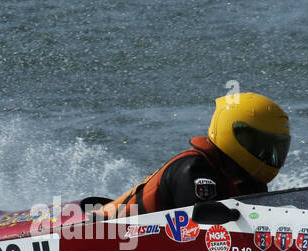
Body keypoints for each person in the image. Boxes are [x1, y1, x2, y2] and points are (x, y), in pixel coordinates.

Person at [100, 92, 290, 216]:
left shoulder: (247, 180)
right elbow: (201, 232)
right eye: (263, 147)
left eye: (275, 149)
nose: (269, 156)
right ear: (234, 134)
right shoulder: (193, 170)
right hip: (100, 236)